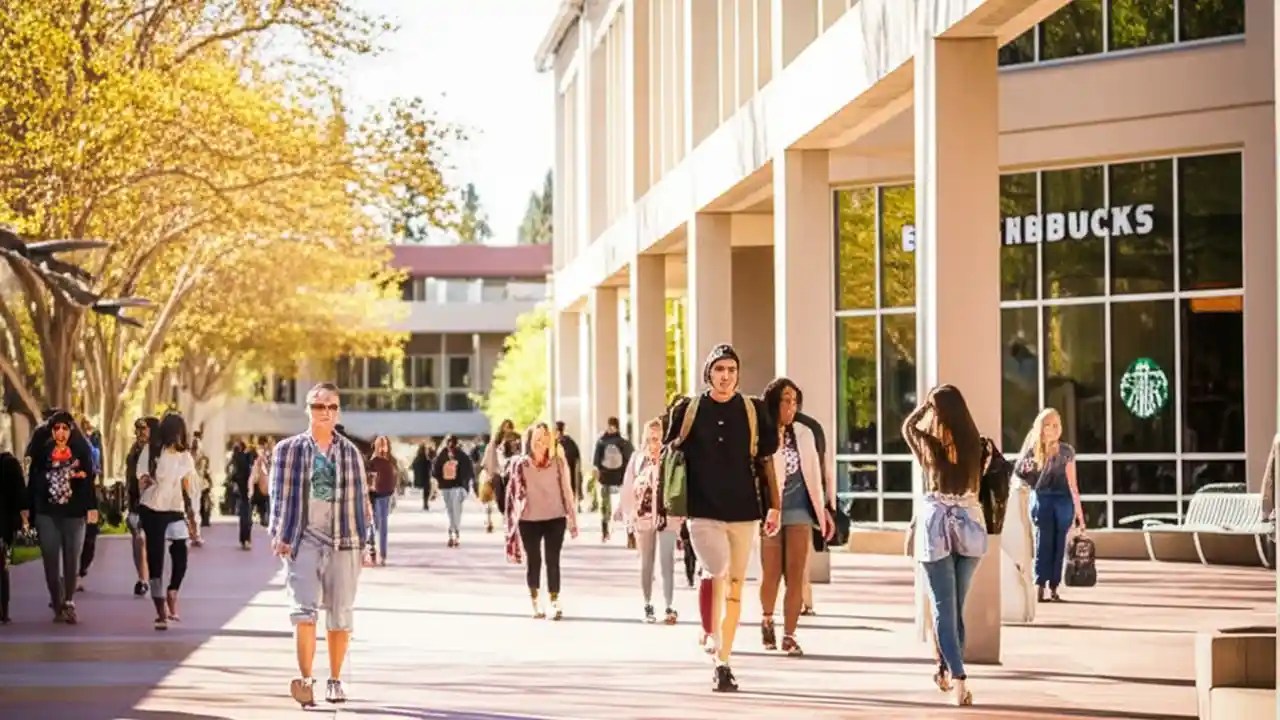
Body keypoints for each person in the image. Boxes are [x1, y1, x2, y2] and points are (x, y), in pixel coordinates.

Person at [660, 344, 780, 692]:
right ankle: (717, 651)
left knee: (737, 585)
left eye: (731, 369)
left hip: (744, 511)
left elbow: (766, 461)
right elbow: (669, 455)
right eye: (719, 370)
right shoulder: (689, 409)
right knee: (718, 571)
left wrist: (774, 505)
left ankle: (724, 658)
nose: (725, 376)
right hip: (703, 510)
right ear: (708, 374)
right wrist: (666, 508)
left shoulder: (753, 410)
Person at [269, 383, 372, 707]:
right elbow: (277, 497)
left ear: (338, 411)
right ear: (308, 410)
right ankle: (306, 679)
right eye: (318, 406)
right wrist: (279, 534)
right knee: (303, 610)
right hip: (303, 537)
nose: (325, 412)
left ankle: (335, 679)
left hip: (345, 540)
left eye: (331, 406)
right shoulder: (287, 451)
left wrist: (365, 545)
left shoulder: (350, 453)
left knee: (341, 613)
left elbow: (361, 502)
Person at [902, 384, 993, 707]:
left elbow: (908, 427)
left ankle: (959, 678)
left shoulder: (932, 447)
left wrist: (925, 405)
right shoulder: (979, 447)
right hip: (970, 530)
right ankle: (948, 669)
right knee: (955, 610)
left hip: (936, 529)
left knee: (944, 608)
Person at [758, 378, 834, 657]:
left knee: (796, 574)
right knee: (771, 574)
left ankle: (789, 635)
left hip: (801, 508)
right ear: (774, 402)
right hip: (771, 513)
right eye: (785, 400)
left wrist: (827, 508)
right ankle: (767, 619)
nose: (791, 406)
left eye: (794, 401)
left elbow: (820, 473)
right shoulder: (763, 434)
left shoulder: (805, 433)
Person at [27, 409, 97, 625]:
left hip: (74, 514)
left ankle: (68, 601)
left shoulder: (81, 448)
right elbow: (32, 479)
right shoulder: (42, 447)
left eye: (65, 428)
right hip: (46, 513)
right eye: (56, 428)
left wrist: (91, 508)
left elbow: (89, 479)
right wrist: (28, 509)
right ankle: (56, 601)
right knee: (50, 560)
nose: (60, 432)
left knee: (71, 559)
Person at [504, 422, 579, 620]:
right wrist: (511, 523)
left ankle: (555, 600)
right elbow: (511, 495)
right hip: (529, 519)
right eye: (537, 439)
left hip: (555, 517)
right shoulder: (521, 465)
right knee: (534, 560)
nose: (541, 443)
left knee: (553, 560)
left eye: (545, 439)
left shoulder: (558, 462)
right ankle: (536, 600)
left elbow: (567, 490)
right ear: (529, 441)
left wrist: (572, 517)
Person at [139, 412, 203, 630]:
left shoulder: (185, 457)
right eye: (174, 431)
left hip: (174, 508)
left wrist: (194, 517)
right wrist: (146, 480)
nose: (177, 436)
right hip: (152, 509)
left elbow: (192, 487)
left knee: (181, 551)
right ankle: (160, 611)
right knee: (155, 559)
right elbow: (141, 477)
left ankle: (172, 592)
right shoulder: (152, 451)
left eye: (180, 432)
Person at [1014, 408, 1085, 603]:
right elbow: (1021, 474)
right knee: (1042, 542)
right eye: (1048, 425)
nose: (1053, 429)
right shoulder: (1034, 451)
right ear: (1041, 428)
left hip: (1063, 502)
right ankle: (1040, 584)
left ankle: (1054, 586)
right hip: (1042, 500)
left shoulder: (1067, 451)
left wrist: (1080, 517)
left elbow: (1073, 484)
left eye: (1056, 425)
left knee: (1059, 544)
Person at [616, 416, 680, 624]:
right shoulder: (637, 459)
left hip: (667, 518)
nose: (655, 443)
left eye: (659, 438)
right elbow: (627, 488)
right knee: (646, 563)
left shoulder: (671, 458)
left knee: (666, 561)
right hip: (643, 518)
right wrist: (627, 517)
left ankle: (669, 606)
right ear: (645, 439)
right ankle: (648, 603)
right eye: (651, 438)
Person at [125, 417, 158, 597]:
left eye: (144, 429)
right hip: (136, 503)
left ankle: (153, 577)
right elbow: (129, 479)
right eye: (137, 429)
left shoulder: (156, 451)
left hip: (153, 503)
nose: (140, 433)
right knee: (139, 539)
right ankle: (142, 579)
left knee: (150, 542)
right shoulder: (133, 452)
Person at [592, 417, 633, 543]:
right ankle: (626, 533)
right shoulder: (623, 442)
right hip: (618, 477)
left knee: (610, 506)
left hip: (608, 477)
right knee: (622, 506)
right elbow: (630, 459)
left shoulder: (601, 441)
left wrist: (597, 473)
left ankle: (607, 531)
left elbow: (596, 461)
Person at [0, 450, 28, 624]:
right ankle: (4, 610)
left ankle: (3, 609)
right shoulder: (9, 464)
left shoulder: (7, 465)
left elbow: (18, 494)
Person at [432, 434, 476, 547]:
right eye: (449, 442)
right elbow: (435, 471)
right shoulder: (442, 455)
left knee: (456, 510)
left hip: (458, 487)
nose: (451, 445)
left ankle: (454, 532)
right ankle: (454, 531)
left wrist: (462, 482)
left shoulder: (461, 456)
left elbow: (468, 471)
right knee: (451, 510)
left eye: (452, 443)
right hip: (447, 487)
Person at [366, 436, 399, 565]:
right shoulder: (372, 461)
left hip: (386, 496)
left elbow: (395, 477)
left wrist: (395, 492)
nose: (382, 447)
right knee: (374, 524)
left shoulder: (391, 461)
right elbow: (368, 478)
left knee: (383, 525)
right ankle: (372, 548)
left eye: (384, 444)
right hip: (374, 496)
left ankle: (383, 554)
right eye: (380, 445)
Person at [555, 421, 583, 511]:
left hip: (565, 475)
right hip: (568, 475)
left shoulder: (558, 443)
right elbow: (577, 459)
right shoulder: (570, 442)